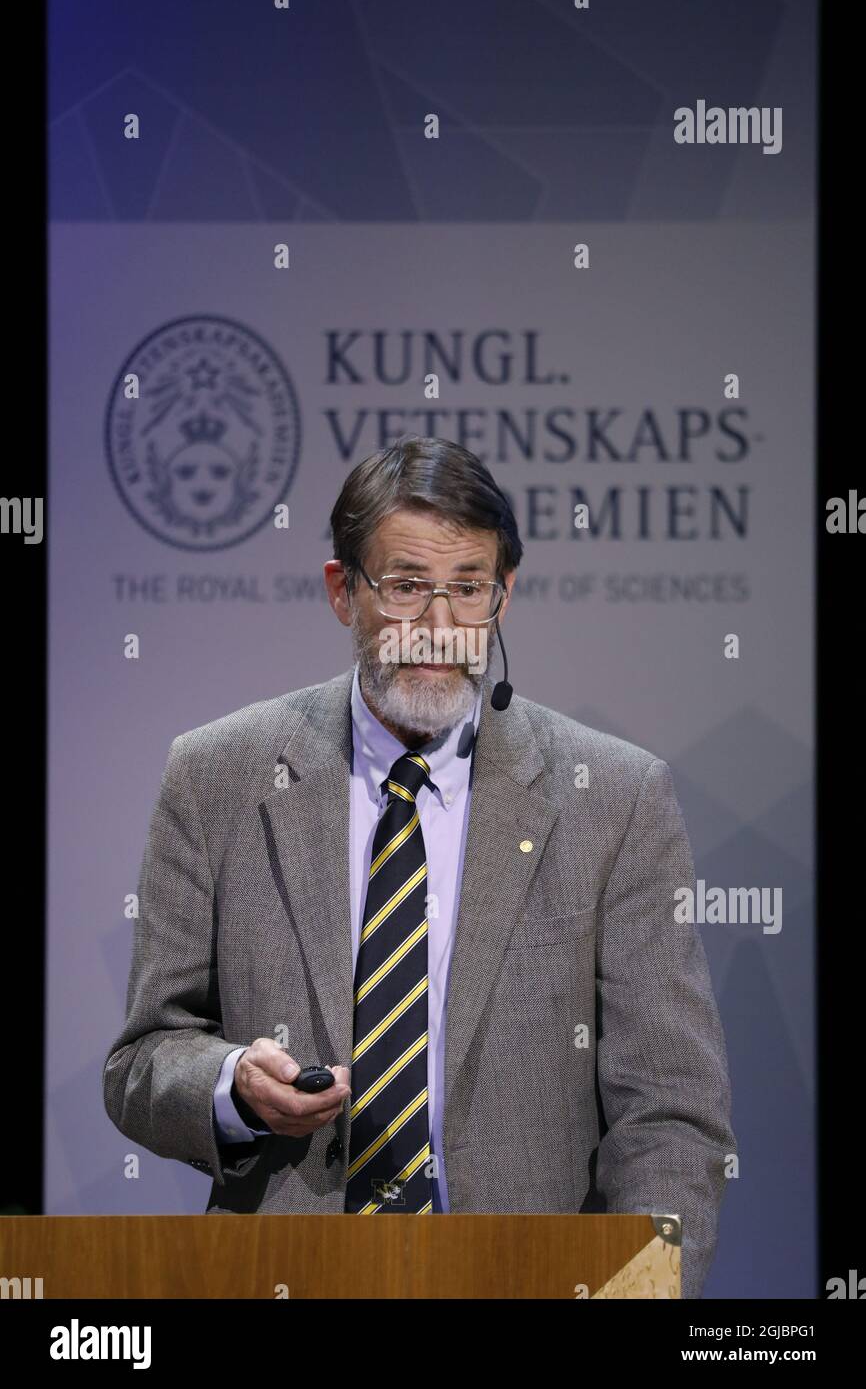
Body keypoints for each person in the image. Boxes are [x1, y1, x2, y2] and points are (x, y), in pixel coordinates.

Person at [103, 433, 735, 1297]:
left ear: (502, 596)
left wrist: (635, 1297)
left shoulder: (616, 799)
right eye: (405, 587)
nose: (439, 630)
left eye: (468, 589)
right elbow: (142, 1062)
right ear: (343, 592)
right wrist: (229, 1086)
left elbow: (670, 1112)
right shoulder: (217, 776)